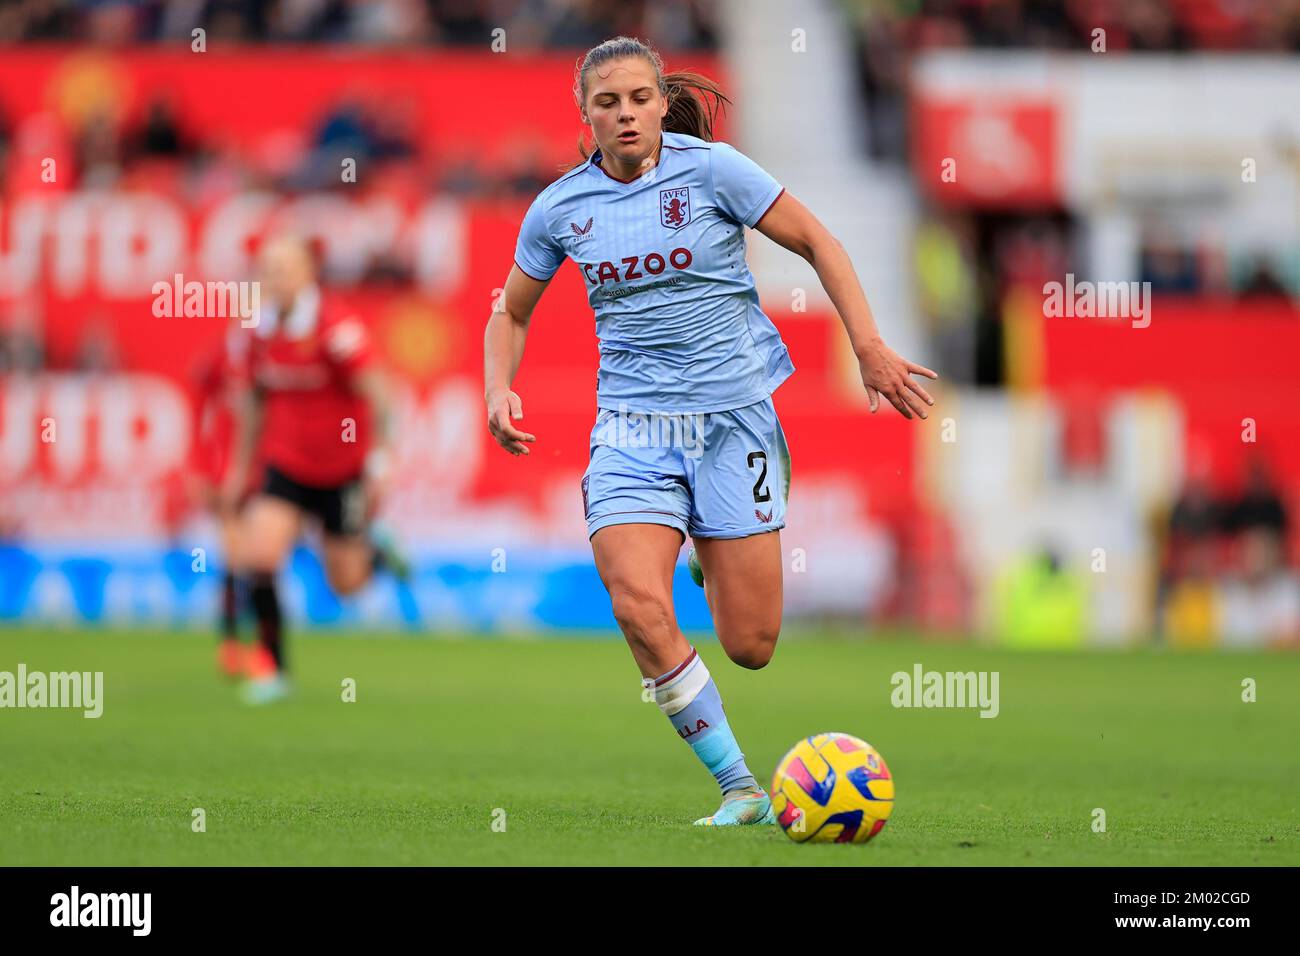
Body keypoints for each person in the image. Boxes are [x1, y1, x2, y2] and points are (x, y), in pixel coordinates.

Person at [483, 37, 936, 827]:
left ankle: (707, 552)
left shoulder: (714, 170)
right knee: (634, 604)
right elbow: (511, 310)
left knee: (751, 644)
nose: (624, 114)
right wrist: (498, 386)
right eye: (606, 102)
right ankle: (741, 787)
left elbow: (818, 241)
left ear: (662, 102)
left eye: (637, 99)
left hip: (733, 422)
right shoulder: (560, 208)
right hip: (631, 428)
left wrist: (866, 345)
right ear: (584, 115)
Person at [223, 235, 406, 704]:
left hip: (342, 470)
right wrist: (238, 470)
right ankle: (272, 670)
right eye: (267, 270)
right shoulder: (253, 332)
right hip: (286, 465)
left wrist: (379, 461)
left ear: (307, 274)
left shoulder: (335, 328)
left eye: (284, 269)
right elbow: (254, 404)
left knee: (345, 585)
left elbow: (380, 395)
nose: (274, 279)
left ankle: (376, 554)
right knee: (258, 558)